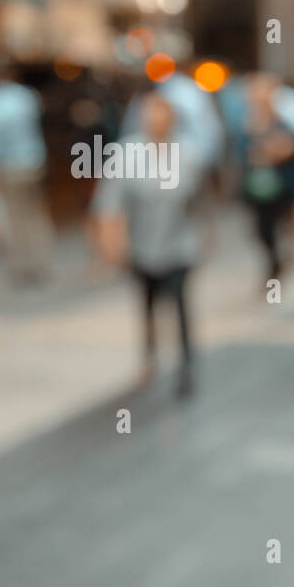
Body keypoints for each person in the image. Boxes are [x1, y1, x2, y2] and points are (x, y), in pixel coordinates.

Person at [93, 93, 203, 399]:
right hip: (142, 245)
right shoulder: (126, 154)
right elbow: (109, 204)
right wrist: (112, 244)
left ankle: (186, 364)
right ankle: (150, 356)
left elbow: (199, 201)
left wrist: (206, 237)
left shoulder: (188, 153)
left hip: (179, 244)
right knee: (148, 304)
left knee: (180, 304)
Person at [0, 68, 54, 282]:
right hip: (32, 162)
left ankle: (22, 266)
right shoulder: (26, 96)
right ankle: (41, 261)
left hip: (6, 167)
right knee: (34, 212)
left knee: (13, 218)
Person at [235, 74, 294, 283]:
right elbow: (242, 153)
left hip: (283, 183)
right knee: (263, 228)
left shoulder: (286, 118)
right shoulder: (246, 123)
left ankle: (288, 255)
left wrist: (278, 150)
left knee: (284, 222)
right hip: (258, 185)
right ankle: (273, 261)